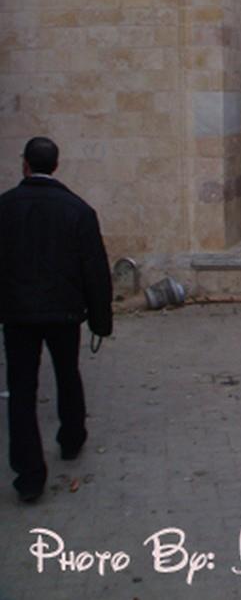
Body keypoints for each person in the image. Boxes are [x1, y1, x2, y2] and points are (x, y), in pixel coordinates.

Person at [0, 137, 113, 503]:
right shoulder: (77, 210)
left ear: (25, 165)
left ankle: (30, 475)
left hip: (18, 313)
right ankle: (71, 437)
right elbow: (94, 270)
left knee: (21, 391)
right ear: (57, 165)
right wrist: (100, 319)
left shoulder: (5, 208)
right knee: (67, 373)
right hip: (63, 312)